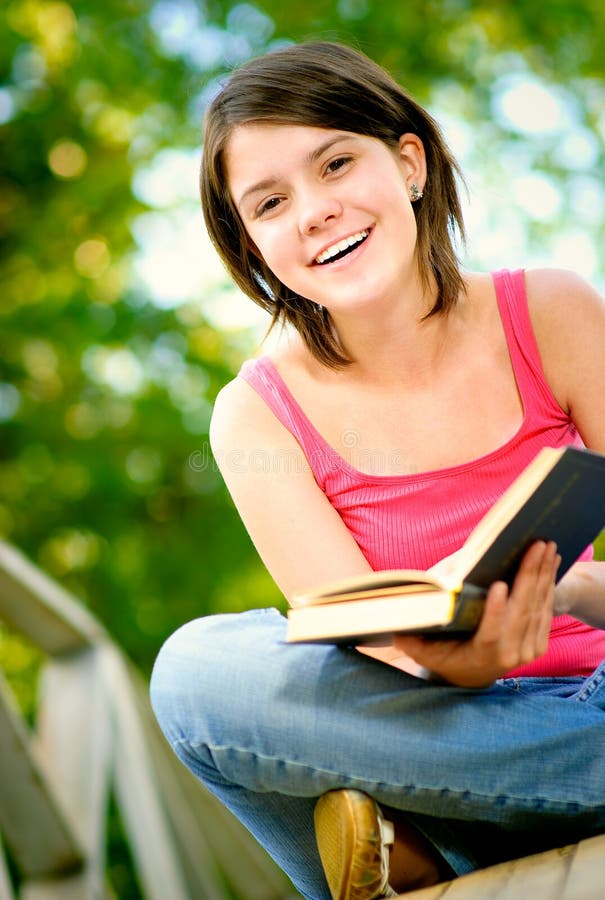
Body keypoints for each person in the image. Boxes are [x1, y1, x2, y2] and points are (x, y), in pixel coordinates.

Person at [150, 41, 605, 900]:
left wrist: (569, 592)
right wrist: (449, 663)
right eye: (271, 202)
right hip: (439, 739)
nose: (314, 211)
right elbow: (362, 647)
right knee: (195, 673)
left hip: (594, 698)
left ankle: (428, 855)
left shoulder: (553, 312)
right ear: (249, 245)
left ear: (408, 163)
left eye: (334, 163)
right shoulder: (255, 414)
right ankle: (453, 842)